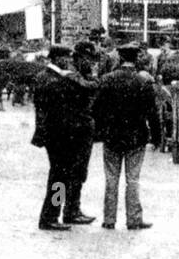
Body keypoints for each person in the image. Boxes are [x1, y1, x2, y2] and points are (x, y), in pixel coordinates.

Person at [92, 44, 162, 231]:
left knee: (111, 179)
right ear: (136, 59)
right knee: (133, 179)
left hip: (112, 137)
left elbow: (96, 109)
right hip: (136, 137)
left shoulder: (106, 79)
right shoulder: (143, 82)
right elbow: (152, 112)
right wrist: (157, 137)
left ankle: (109, 219)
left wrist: (99, 133)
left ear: (119, 59)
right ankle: (134, 219)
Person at [31, 45, 98, 230]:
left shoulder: (45, 77)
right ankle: (51, 216)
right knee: (59, 177)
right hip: (61, 134)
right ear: (57, 58)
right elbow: (88, 89)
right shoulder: (58, 80)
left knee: (62, 175)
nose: (69, 61)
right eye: (66, 58)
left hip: (57, 134)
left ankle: (62, 213)